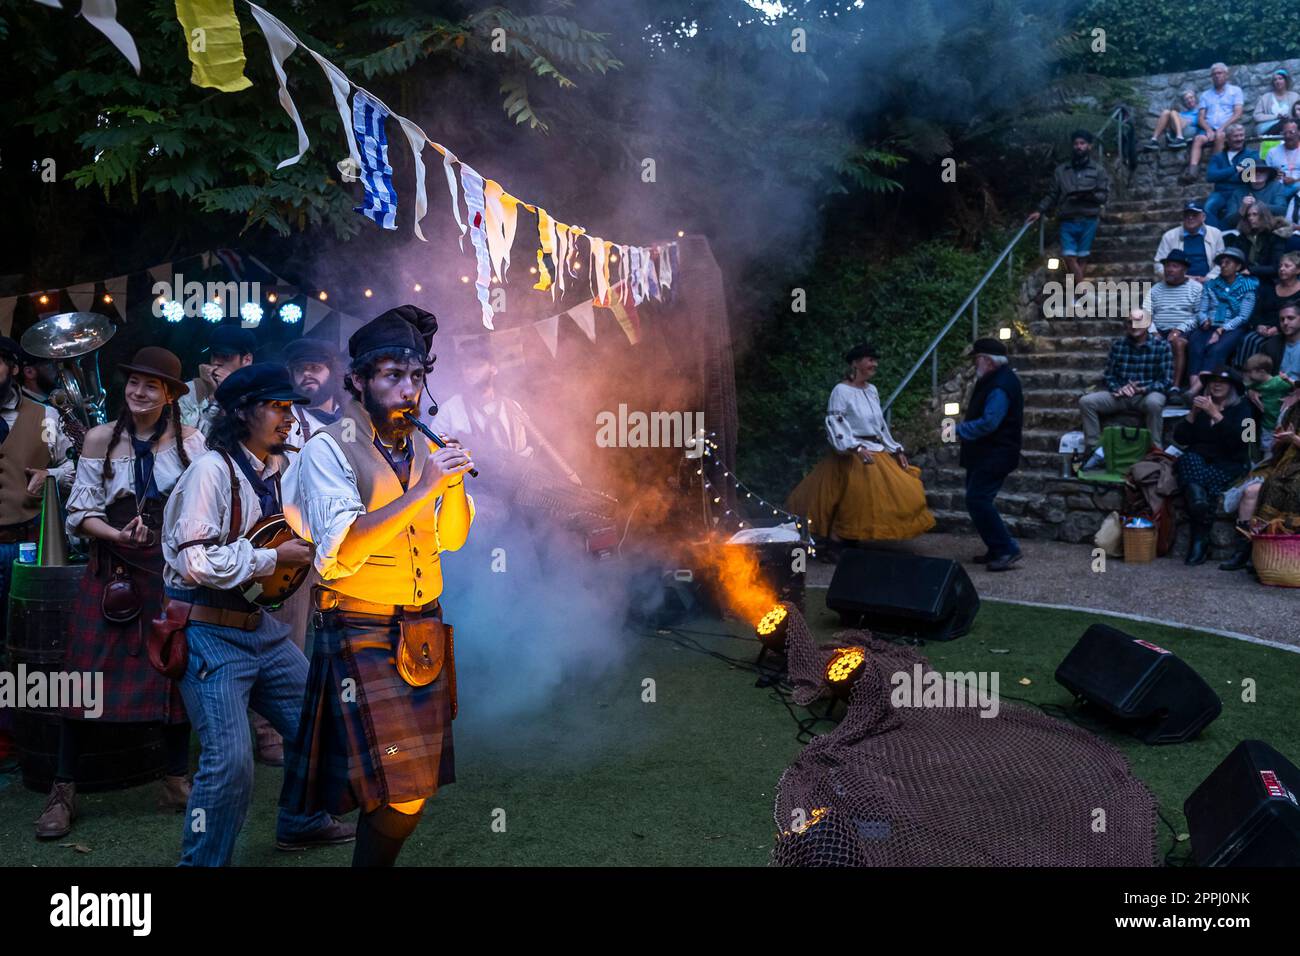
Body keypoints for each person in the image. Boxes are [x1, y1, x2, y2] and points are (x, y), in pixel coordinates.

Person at [279, 305, 475, 867]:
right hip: (360, 622)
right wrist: (421, 490)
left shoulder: (420, 445)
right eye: (392, 375)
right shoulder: (329, 447)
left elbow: (453, 540)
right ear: (359, 381)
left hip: (422, 625)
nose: (408, 389)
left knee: (408, 791)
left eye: (416, 376)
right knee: (399, 789)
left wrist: (451, 485)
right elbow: (342, 550)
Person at [161, 363, 354, 866]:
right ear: (243, 412)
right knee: (230, 764)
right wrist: (275, 558)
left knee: (319, 725)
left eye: (291, 407)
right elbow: (195, 559)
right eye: (277, 406)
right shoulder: (211, 470)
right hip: (207, 628)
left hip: (257, 625)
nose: (289, 418)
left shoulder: (280, 470)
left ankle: (301, 819)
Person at [34, 348, 206, 839]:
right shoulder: (98, 439)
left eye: (152, 385)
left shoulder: (194, 443)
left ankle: (174, 780)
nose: (139, 392)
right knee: (82, 680)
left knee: (172, 672)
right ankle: (63, 790)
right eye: (133, 382)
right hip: (111, 573)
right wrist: (115, 536)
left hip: (168, 573)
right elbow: (78, 515)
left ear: (171, 393)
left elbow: (203, 504)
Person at [785, 344, 935, 552]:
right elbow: (835, 421)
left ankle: (849, 538)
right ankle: (836, 543)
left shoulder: (872, 390)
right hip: (851, 453)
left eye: (875, 360)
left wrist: (895, 449)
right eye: (869, 360)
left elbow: (879, 424)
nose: (875, 364)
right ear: (855, 363)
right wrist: (853, 447)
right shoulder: (841, 391)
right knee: (850, 498)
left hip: (874, 450)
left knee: (900, 493)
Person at [0, 337, 76, 651]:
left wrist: (50, 475)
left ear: (14, 368)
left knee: (28, 631)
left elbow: (73, 469)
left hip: (26, 544)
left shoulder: (45, 417)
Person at [1173, 366, 1255, 565]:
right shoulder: (1201, 407)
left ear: (1233, 386)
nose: (1216, 385)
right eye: (1213, 381)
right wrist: (1193, 414)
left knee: (1202, 483)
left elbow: (1246, 441)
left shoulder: (1245, 409)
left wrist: (1217, 416)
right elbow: (1180, 438)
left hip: (1230, 463)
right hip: (1199, 463)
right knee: (1189, 459)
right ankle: (1199, 513)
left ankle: (1199, 539)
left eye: (1222, 381)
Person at [957, 338, 1024, 571]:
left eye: (977, 359)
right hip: (989, 453)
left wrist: (959, 430)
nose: (975, 364)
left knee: (977, 499)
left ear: (987, 360)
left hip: (995, 453)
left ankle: (1006, 548)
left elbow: (989, 423)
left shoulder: (999, 385)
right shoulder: (997, 380)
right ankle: (997, 547)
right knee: (977, 500)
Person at [1220, 390, 1300, 571]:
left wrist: (1294, 439)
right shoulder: (1292, 410)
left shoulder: (1245, 409)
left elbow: (1241, 440)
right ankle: (1246, 550)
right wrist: (1279, 441)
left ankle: (1285, 554)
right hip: (1281, 464)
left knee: (1289, 488)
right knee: (1251, 491)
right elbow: (1275, 447)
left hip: (1294, 470)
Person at [1025, 129, 1110, 296]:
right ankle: (1085, 291)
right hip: (1067, 218)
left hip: (1088, 217)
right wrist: (1039, 210)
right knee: (1069, 257)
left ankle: (1076, 296)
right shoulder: (1061, 170)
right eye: (1076, 144)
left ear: (1089, 146)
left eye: (1082, 143)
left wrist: (1089, 196)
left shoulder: (1098, 170)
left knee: (1082, 257)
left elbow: (1104, 195)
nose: (1079, 147)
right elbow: (1052, 194)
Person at [1079, 308, 1173, 457]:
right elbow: (1109, 375)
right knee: (1086, 401)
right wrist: (1118, 388)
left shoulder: (1162, 347)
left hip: (1146, 395)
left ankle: (1155, 450)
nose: (1134, 325)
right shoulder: (1118, 345)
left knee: (1154, 403)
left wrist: (1143, 389)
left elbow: (1166, 381)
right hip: (1121, 395)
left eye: (1138, 321)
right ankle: (1094, 449)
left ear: (1148, 324)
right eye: (1130, 322)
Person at [1186, 247, 1258, 397]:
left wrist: (1221, 330)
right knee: (1195, 345)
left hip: (1233, 326)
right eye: (1221, 263)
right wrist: (1204, 320)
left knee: (1216, 349)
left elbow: (1243, 316)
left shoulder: (1248, 286)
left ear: (1238, 266)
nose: (1223, 265)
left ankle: (1193, 391)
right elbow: (1202, 309)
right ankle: (1195, 393)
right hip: (1210, 324)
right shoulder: (1211, 285)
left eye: (1228, 262)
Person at [178, 325, 256, 437]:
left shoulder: (257, 393)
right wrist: (213, 398)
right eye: (214, 355)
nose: (216, 362)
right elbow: (185, 439)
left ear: (247, 360)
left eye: (226, 356)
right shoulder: (189, 390)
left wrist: (229, 393)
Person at [1145, 250, 1204, 389]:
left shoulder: (1196, 288)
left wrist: (1179, 329)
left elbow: (1199, 314)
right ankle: (1149, 385)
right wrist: (1153, 332)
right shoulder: (1155, 289)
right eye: (1167, 266)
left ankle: (1174, 386)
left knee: (1178, 343)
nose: (1169, 270)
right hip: (1159, 328)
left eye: (1175, 266)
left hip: (1184, 330)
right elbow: (1145, 313)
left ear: (1184, 269)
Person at [1183, 63, 1245, 180]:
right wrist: (1208, 129)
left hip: (1228, 127)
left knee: (1220, 136)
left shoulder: (1235, 91)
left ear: (1226, 75)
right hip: (1209, 129)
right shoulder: (1205, 95)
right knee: (1198, 139)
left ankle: (1215, 169)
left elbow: (1238, 113)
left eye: (1219, 73)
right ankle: (1192, 172)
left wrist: (1222, 127)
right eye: (1214, 74)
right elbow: (1201, 117)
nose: (1217, 76)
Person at [282, 337, 345, 449]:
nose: (306, 373)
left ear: (332, 372)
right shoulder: (287, 420)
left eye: (315, 368)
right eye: (299, 369)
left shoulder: (351, 415)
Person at [1202, 125, 1260, 229]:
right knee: (1208, 207)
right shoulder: (1218, 157)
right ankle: (1215, 238)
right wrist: (1235, 169)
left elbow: (1247, 178)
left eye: (1241, 135)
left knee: (1231, 212)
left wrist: (1222, 175)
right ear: (1227, 139)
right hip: (1221, 193)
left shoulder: (1252, 154)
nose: (1239, 139)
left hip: (1241, 191)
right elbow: (1210, 176)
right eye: (1235, 136)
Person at [1153, 201, 1222, 285]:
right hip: (1178, 283)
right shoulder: (1169, 236)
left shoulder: (1215, 234)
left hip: (1209, 283)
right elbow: (1158, 264)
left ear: (1203, 217)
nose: (1190, 218)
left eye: (1194, 215)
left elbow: (1221, 262)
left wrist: (1207, 279)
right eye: (1187, 215)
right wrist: (1183, 278)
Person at [1243, 352, 1295, 457]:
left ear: (1262, 372)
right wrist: (1250, 391)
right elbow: (1244, 387)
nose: (1248, 375)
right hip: (1265, 424)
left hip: (1279, 422)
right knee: (1266, 449)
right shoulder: (1255, 384)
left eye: (1250, 372)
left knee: (1276, 449)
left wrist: (1288, 380)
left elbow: (1294, 389)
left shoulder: (1278, 382)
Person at [1226, 194, 1293, 275]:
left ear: (1263, 216)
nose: (1251, 218)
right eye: (1248, 215)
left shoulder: (1276, 236)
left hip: (1266, 278)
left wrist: (1251, 270)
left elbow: (1275, 267)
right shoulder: (1244, 236)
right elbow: (1234, 256)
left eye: (1255, 214)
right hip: (1244, 276)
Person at [1260, 300, 1300, 380]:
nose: (1285, 323)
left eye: (1290, 318)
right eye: (1282, 319)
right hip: (1276, 389)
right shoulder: (1270, 345)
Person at [1253, 69, 1299, 136]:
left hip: (1290, 126)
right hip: (1269, 127)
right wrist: (1275, 117)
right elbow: (1256, 116)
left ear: (1286, 80)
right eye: (1275, 80)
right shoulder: (1266, 97)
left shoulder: (1295, 96)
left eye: (1280, 79)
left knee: (1289, 123)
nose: (1277, 81)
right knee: (1283, 122)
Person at [1265, 119, 1300, 200]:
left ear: (1299, 132)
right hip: (1278, 187)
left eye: (1291, 132)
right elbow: (1266, 175)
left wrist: (1295, 180)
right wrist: (1274, 176)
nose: (1287, 136)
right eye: (1285, 133)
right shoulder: (1272, 152)